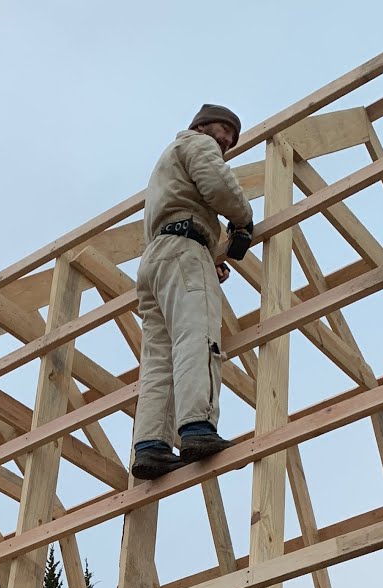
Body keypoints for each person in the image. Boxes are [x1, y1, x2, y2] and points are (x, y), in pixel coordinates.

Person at [130, 104, 255, 480]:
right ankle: (197, 428)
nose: (227, 140)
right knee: (195, 337)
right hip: (182, 249)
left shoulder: (167, 165)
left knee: (159, 357)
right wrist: (244, 219)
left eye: (232, 139)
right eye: (224, 130)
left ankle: (150, 446)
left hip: (156, 258)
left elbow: (183, 206)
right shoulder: (196, 144)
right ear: (201, 125)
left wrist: (206, 249)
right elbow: (217, 183)